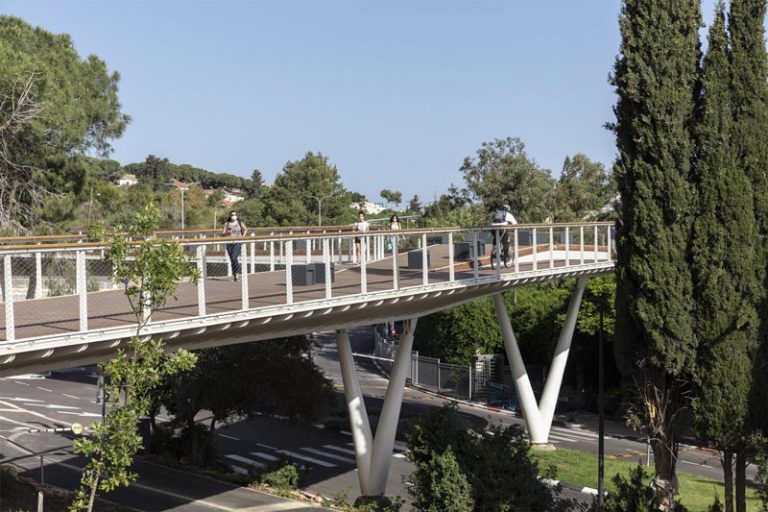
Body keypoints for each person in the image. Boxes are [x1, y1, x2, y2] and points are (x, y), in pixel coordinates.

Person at [223, 210, 247, 281]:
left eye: (235, 214)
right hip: (229, 243)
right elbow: (223, 233)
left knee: (234, 257)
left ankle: (236, 273)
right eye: (232, 215)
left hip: (237, 243)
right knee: (232, 259)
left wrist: (243, 237)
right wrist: (227, 232)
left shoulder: (240, 223)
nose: (234, 216)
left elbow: (246, 229)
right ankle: (235, 274)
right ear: (230, 216)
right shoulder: (227, 224)